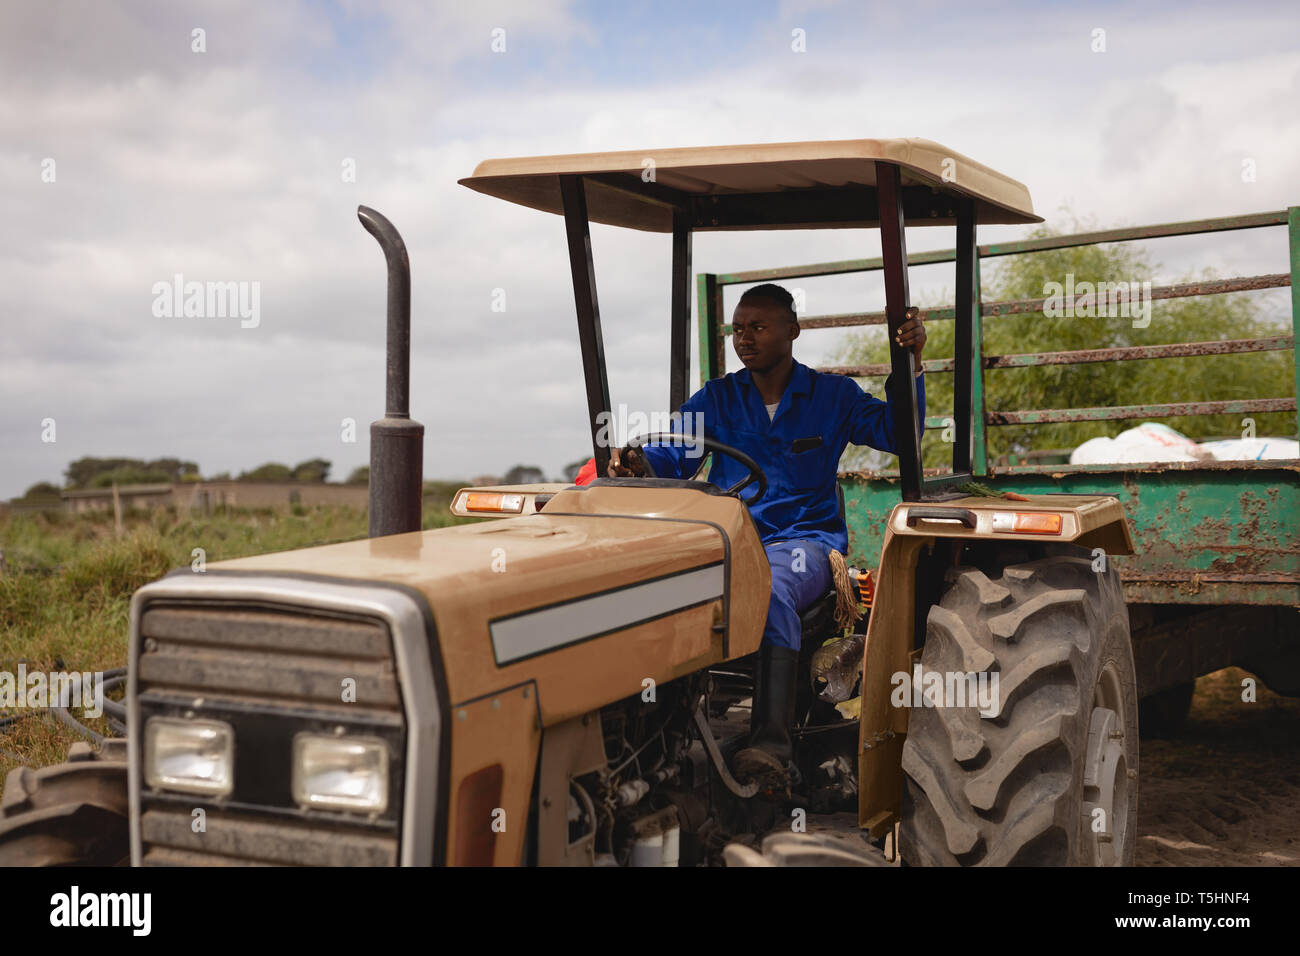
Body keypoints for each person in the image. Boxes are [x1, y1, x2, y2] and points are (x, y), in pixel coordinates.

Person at [607, 283, 926, 789]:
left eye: (758, 327)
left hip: (806, 543)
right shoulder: (717, 398)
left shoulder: (833, 396)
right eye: (738, 329)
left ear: (792, 332)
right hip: (731, 537)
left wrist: (910, 364)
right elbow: (673, 454)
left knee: (769, 587)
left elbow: (897, 432)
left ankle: (770, 744)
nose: (745, 339)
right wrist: (639, 462)